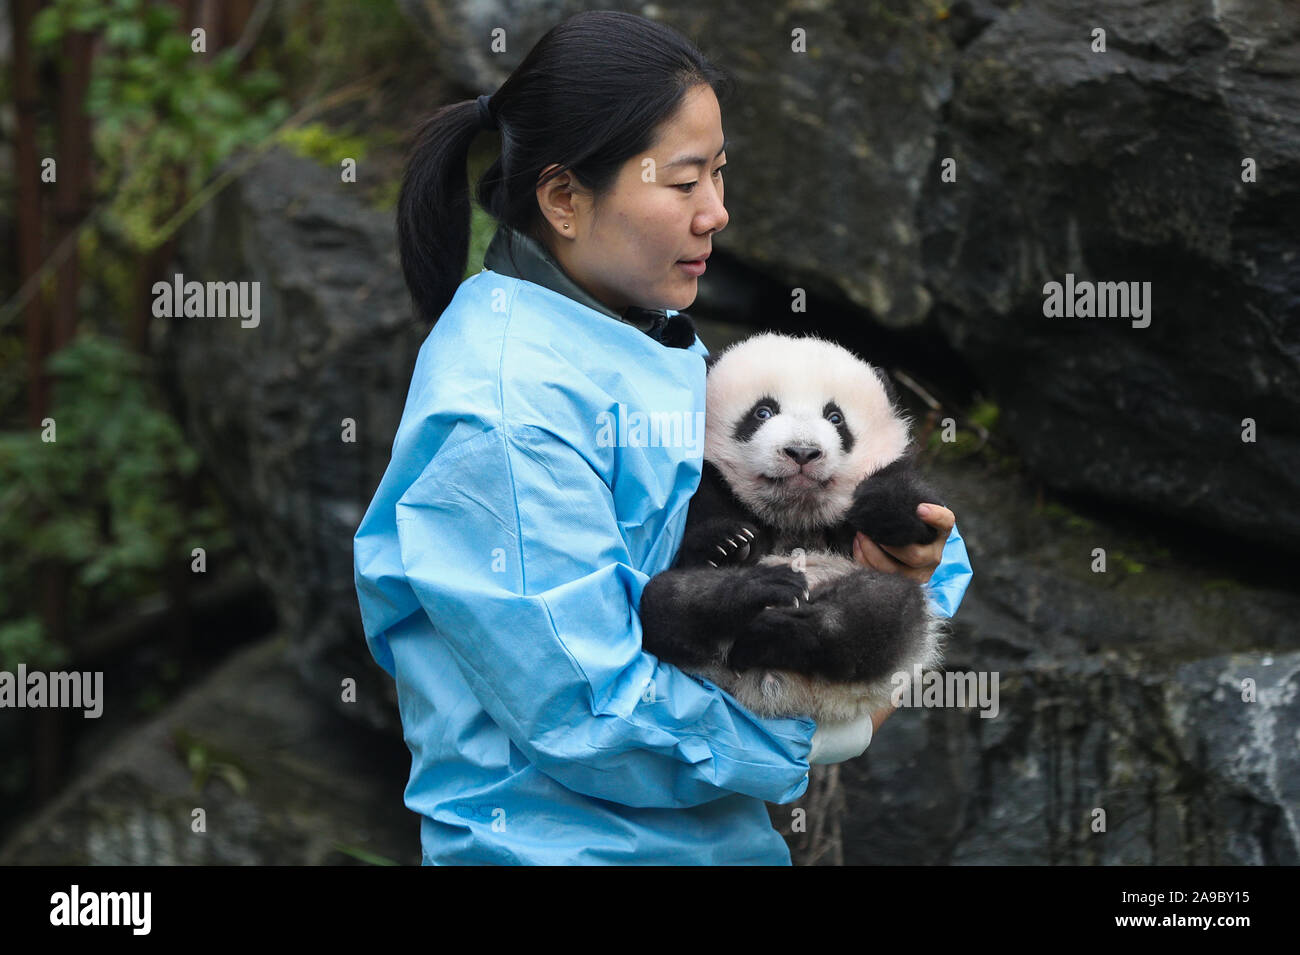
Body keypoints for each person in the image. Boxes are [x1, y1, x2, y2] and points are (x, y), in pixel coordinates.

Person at [353, 10, 972, 865]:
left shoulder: (638, 330)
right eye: (683, 183)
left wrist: (909, 565)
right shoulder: (499, 411)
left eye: (719, 174)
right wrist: (826, 734)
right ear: (565, 198)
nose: (718, 213)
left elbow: (883, 524)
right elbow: (588, 710)